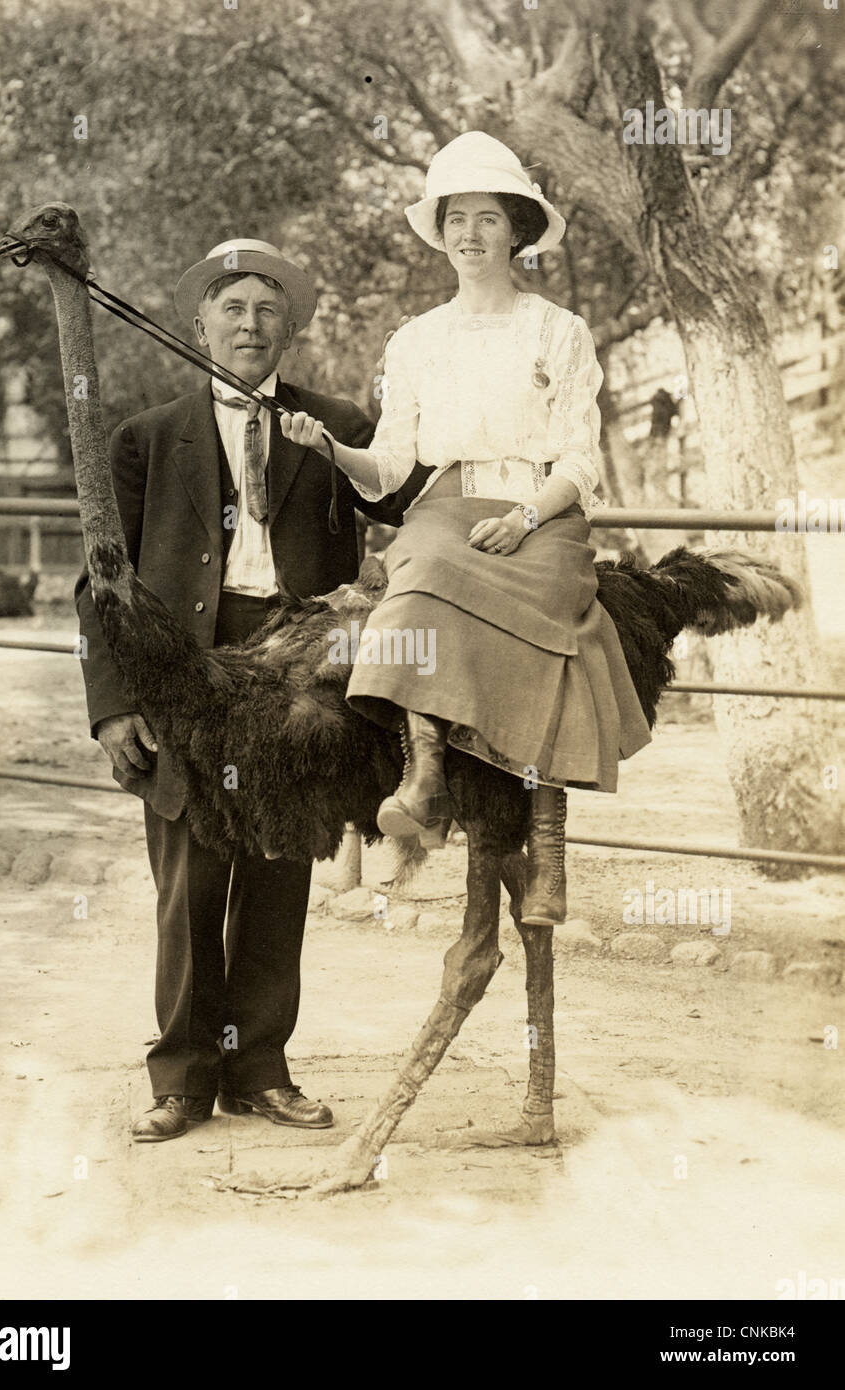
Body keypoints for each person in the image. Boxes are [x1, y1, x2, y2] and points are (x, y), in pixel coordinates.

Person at [76, 238, 418, 1141]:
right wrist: (115, 706)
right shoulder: (145, 439)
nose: (250, 325)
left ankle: (259, 1071)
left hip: (300, 674)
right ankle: (183, 1077)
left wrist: (353, 447)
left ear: (291, 329)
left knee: (278, 871)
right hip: (188, 671)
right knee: (189, 875)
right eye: (232, 308)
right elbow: (100, 584)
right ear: (200, 325)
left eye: (269, 310)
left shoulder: (335, 423)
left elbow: (406, 498)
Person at [279, 132, 653, 929]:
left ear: (517, 229)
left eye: (489, 217)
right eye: (456, 218)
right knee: (413, 586)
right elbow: (389, 468)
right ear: (440, 230)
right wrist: (332, 448)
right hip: (446, 509)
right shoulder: (415, 339)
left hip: (541, 511)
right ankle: (424, 777)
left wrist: (525, 519)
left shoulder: (559, 330)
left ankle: (549, 850)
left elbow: (582, 460)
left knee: (560, 627)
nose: (471, 234)